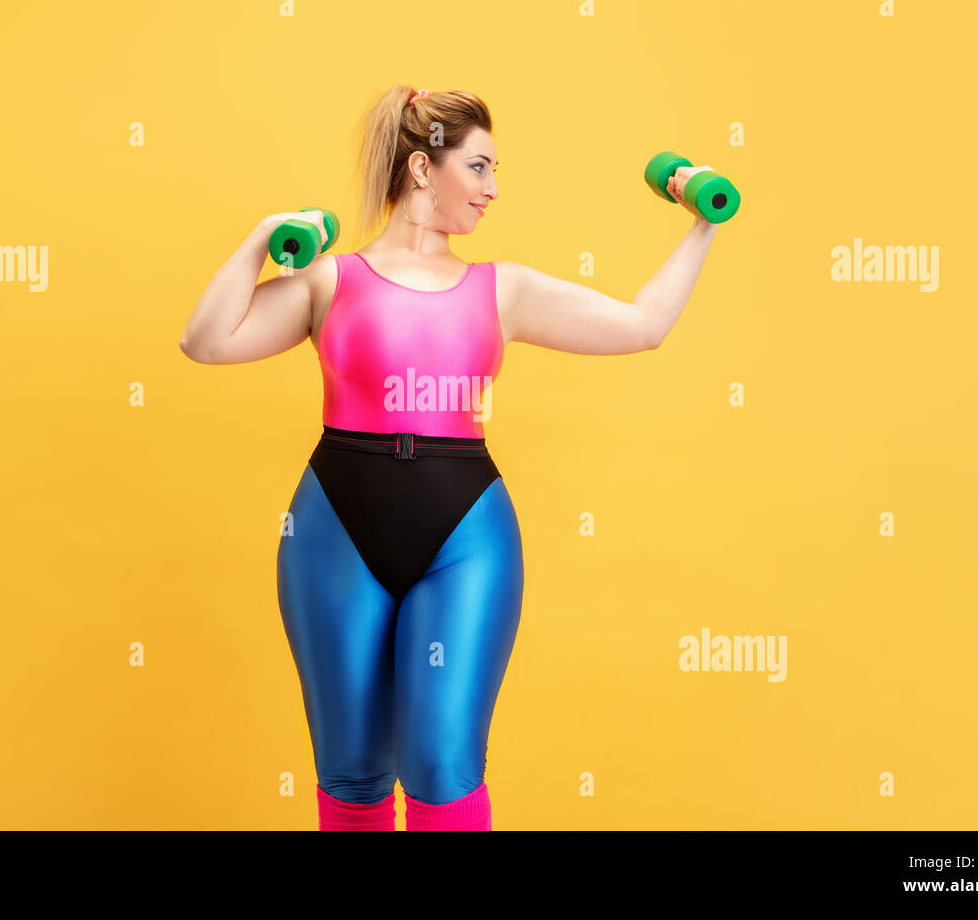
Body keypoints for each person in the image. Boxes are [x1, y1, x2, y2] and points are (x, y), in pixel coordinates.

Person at [179, 85, 720, 829]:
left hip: (464, 531)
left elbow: (643, 325)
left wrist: (702, 225)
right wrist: (263, 237)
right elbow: (205, 342)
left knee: (441, 766)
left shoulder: (507, 290)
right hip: (336, 527)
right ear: (422, 170)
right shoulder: (328, 279)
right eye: (479, 167)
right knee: (352, 775)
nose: (494, 190)